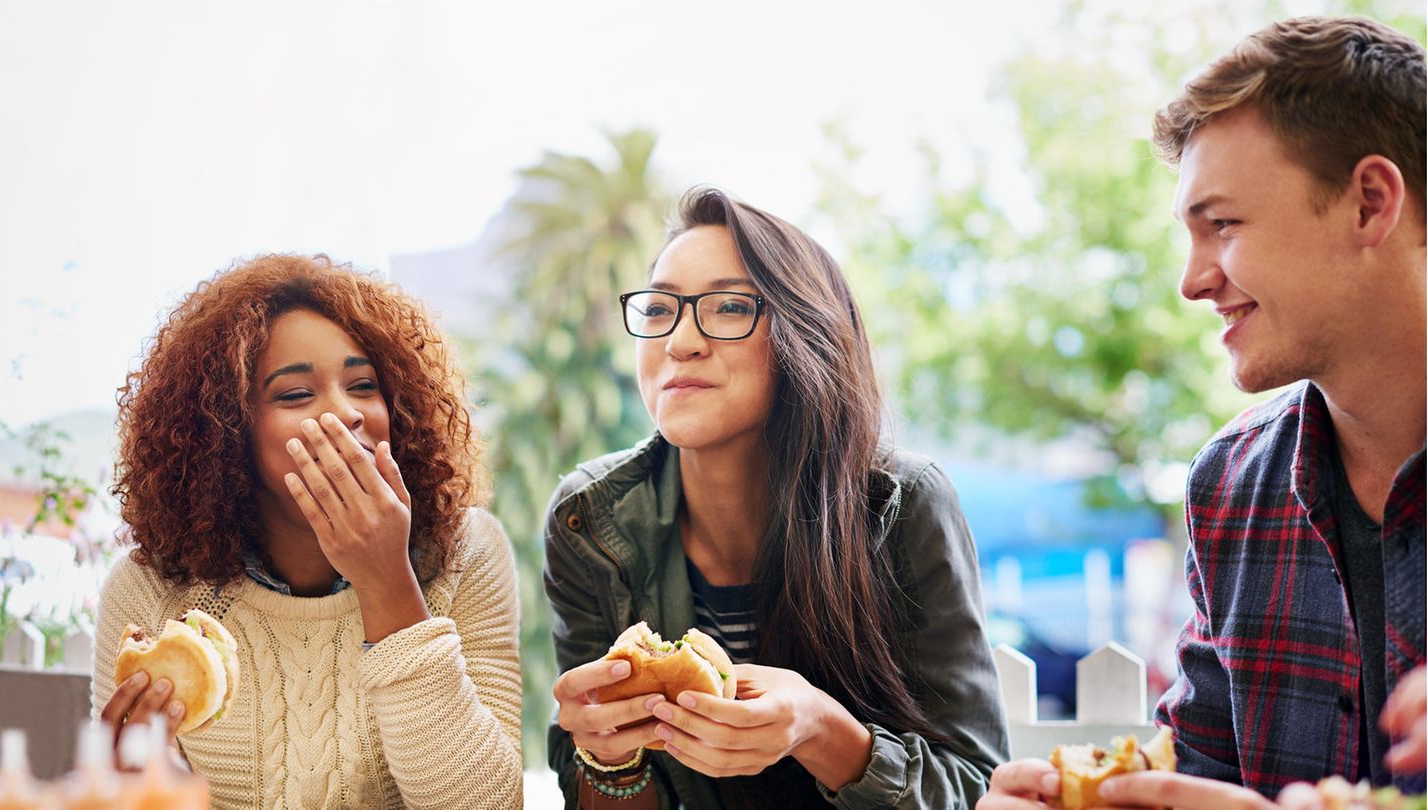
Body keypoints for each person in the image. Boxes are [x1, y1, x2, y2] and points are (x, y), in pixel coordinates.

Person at [979, 16, 1425, 810]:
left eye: (1222, 225)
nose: (1191, 282)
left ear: (1369, 204)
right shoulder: (1229, 483)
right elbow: (1201, 782)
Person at [543, 186, 1007, 810]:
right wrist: (609, 757)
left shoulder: (905, 505)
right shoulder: (589, 520)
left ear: (805, 335)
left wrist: (820, 730)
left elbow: (977, 790)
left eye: (729, 307)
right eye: (658, 309)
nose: (680, 341)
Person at [94, 254, 523, 808]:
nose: (346, 414)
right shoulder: (149, 592)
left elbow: (489, 804)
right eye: (296, 394)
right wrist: (142, 788)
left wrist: (387, 579)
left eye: (364, 385)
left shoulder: (467, 554)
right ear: (225, 432)